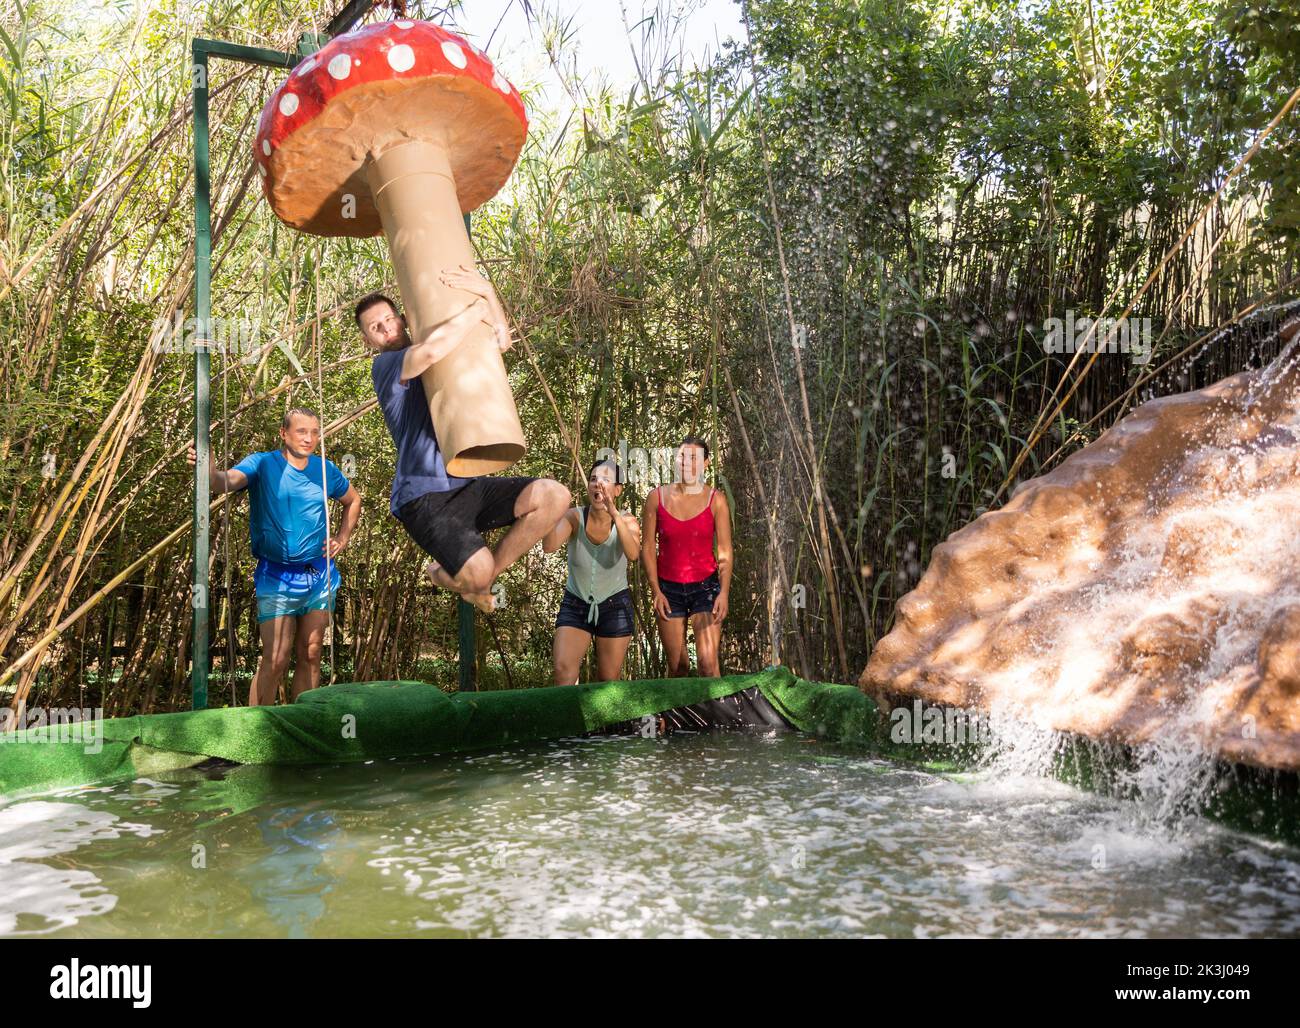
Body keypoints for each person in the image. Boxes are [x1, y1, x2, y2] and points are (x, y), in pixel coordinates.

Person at [358, 267, 570, 613]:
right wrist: (477, 308)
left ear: (401, 317)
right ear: (369, 340)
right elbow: (428, 353)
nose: (386, 329)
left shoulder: (449, 350)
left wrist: (488, 292)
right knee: (478, 570)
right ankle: (452, 575)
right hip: (425, 495)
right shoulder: (387, 366)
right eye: (375, 328)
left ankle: (480, 581)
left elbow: (500, 341)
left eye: (388, 319)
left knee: (554, 496)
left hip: (469, 482)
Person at [189, 408, 361, 706]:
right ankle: (258, 729)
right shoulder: (262, 463)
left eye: (314, 432)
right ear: (283, 434)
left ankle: (302, 723)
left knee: (312, 652)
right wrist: (207, 466)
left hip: (319, 574)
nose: (309, 438)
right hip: (276, 576)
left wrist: (342, 538)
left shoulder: (326, 469)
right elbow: (221, 482)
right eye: (301, 431)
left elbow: (353, 499)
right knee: (277, 658)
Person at [542, 459, 642, 685]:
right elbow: (548, 547)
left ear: (617, 490)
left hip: (615, 605)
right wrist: (549, 509)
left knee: (607, 681)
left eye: (605, 480)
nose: (598, 484)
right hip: (575, 603)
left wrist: (614, 513)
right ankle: (571, 720)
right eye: (594, 479)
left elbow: (633, 553)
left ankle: (605, 722)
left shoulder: (627, 520)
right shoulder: (574, 517)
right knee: (563, 671)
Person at [640, 436, 732, 678]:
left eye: (694, 458)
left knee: (708, 664)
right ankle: (675, 718)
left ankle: (716, 716)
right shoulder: (656, 498)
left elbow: (725, 551)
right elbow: (648, 548)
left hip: (706, 587)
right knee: (678, 667)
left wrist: (723, 592)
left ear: (706, 463)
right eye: (682, 456)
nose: (686, 462)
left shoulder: (717, 500)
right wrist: (655, 591)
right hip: (668, 589)